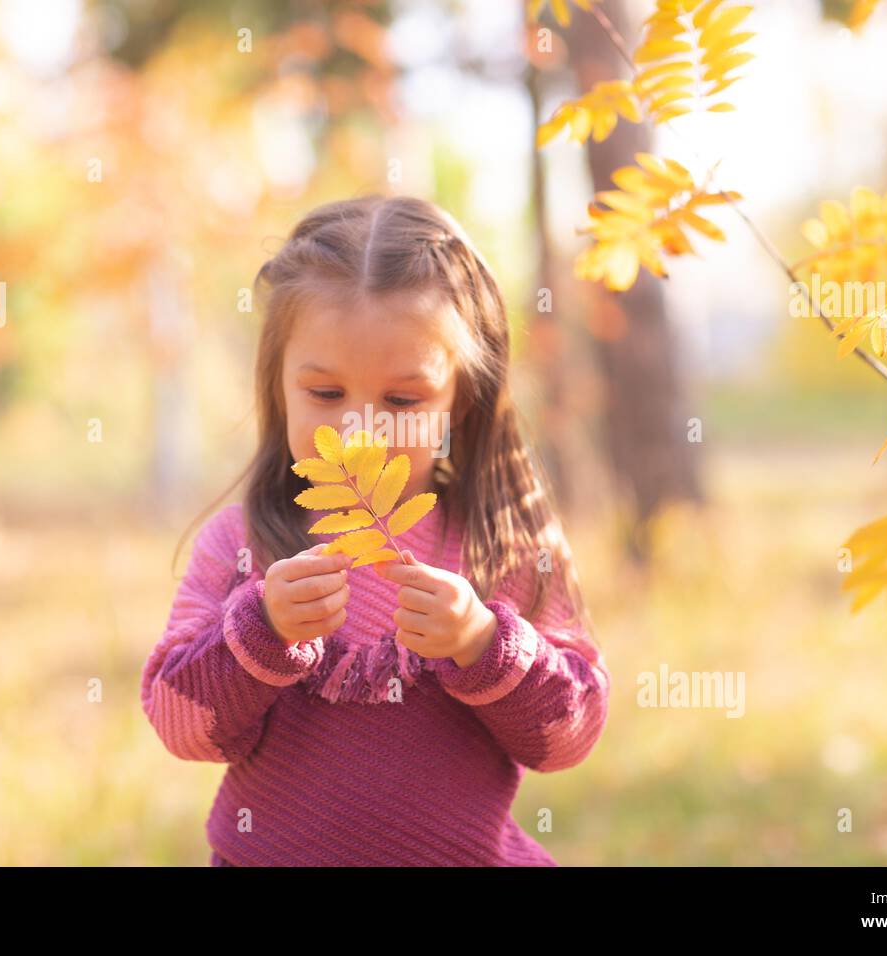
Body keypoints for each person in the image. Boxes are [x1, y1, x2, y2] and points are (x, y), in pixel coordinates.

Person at [140, 194, 609, 866]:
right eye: (325, 394)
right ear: (277, 388)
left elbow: (566, 738)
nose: (360, 428)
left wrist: (484, 642)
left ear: (461, 403)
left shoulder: (498, 548)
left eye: (402, 400)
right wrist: (259, 632)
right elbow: (183, 728)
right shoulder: (245, 546)